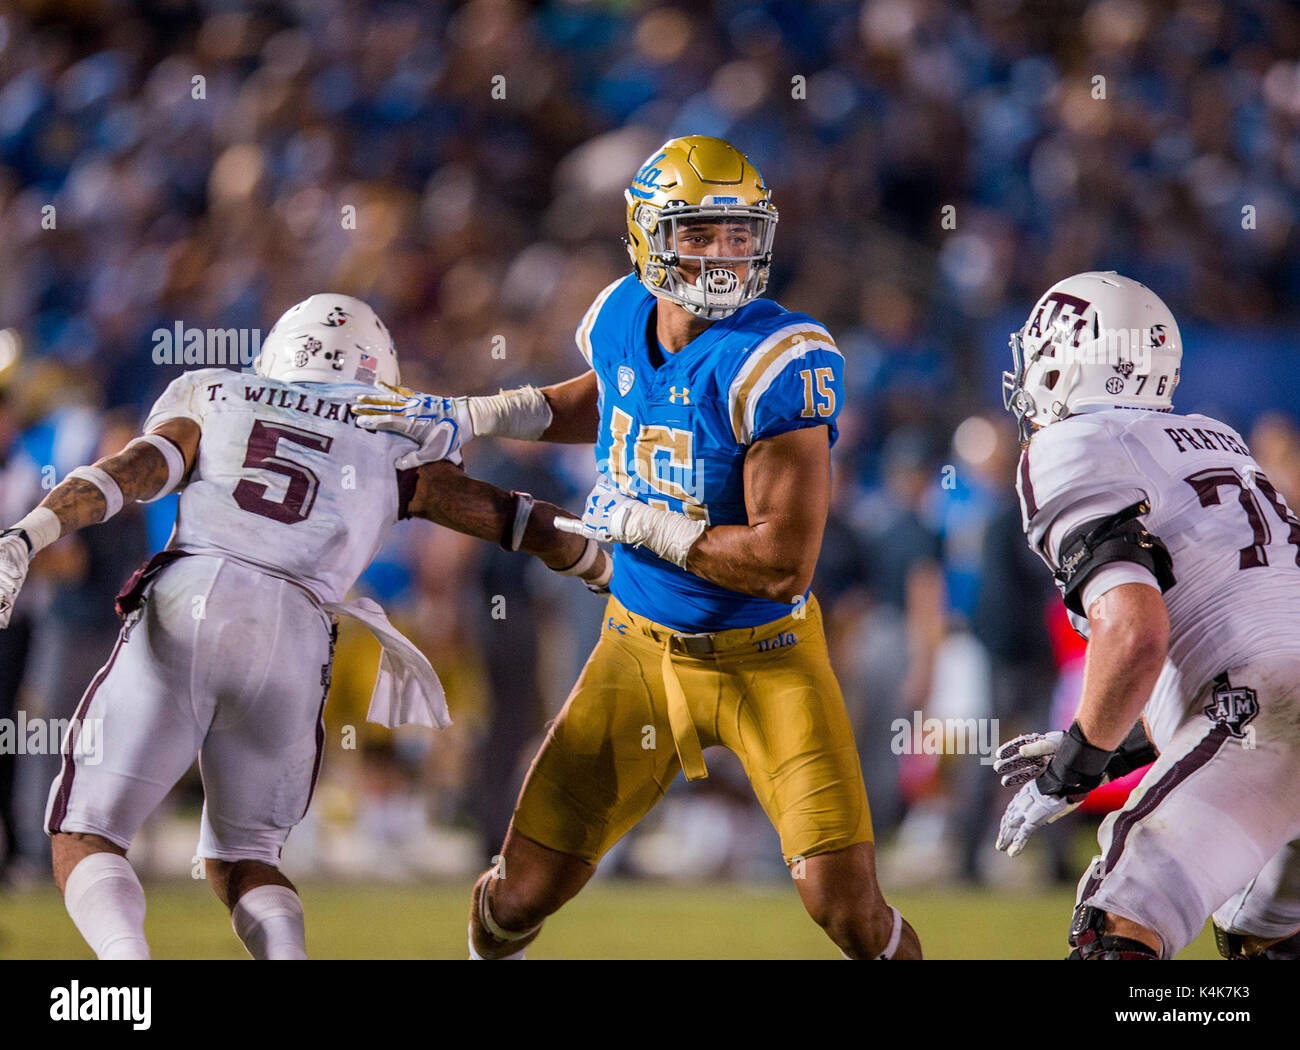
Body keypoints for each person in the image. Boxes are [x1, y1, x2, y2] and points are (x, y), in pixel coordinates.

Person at [356, 135, 921, 960]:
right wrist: (483, 414)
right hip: (636, 654)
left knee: (847, 910)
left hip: (767, 660)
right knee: (519, 892)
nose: (723, 254)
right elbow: (613, 396)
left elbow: (782, 565)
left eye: (739, 233)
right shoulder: (623, 311)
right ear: (647, 236)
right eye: (698, 233)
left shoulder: (781, 359)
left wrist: (649, 525)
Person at [0, 293, 608, 960]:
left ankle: (129, 969)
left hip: (193, 595)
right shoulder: (392, 428)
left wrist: (30, 535)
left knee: (85, 830)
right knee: (246, 859)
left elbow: (127, 475)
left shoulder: (218, 391)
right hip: (297, 632)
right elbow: (513, 518)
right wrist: (600, 562)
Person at [994, 271, 1300, 960]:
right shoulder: (1220, 439)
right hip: (1269, 708)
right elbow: (1245, 618)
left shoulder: (1072, 445)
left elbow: (1134, 631)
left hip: (1264, 716)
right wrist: (1116, 744)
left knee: (1117, 929)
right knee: (1263, 934)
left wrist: (1072, 768)